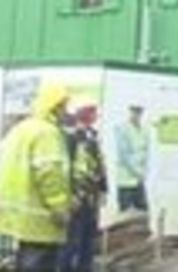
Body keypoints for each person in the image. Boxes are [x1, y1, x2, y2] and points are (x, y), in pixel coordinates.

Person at [0, 82, 73, 272]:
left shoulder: (22, 129)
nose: (66, 112)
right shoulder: (48, 133)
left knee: (25, 261)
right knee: (39, 263)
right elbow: (49, 174)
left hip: (18, 214)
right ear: (55, 107)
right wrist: (60, 208)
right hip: (40, 218)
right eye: (63, 107)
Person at [59, 98, 108, 272]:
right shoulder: (70, 137)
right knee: (72, 240)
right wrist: (72, 194)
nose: (95, 115)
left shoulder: (92, 136)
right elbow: (68, 168)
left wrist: (103, 188)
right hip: (77, 197)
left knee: (88, 239)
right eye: (92, 111)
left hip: (91, 198)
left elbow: (99, 164)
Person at [115, 104, 150, 212]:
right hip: (125, 179)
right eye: (134, 111)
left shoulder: (145, 129)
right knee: (126, 214)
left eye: (139, 111)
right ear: (130, 111)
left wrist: (143, 172)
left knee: (143, 211)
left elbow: (145, 152)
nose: (137, 114)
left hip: (139, 180)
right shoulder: (122, 128)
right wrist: (137, 172)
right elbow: (123, 155)